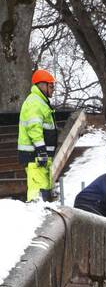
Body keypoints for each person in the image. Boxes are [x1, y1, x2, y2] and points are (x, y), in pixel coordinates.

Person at [18, 68, 57, 203]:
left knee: (43, 189)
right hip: (35, 156)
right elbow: (34, 129)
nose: (53, 89)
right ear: (42, 85)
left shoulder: (40, 102)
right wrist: (41, 151)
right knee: (38, 192)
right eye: (51, 86)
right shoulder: (35, 102)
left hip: (39, 157)